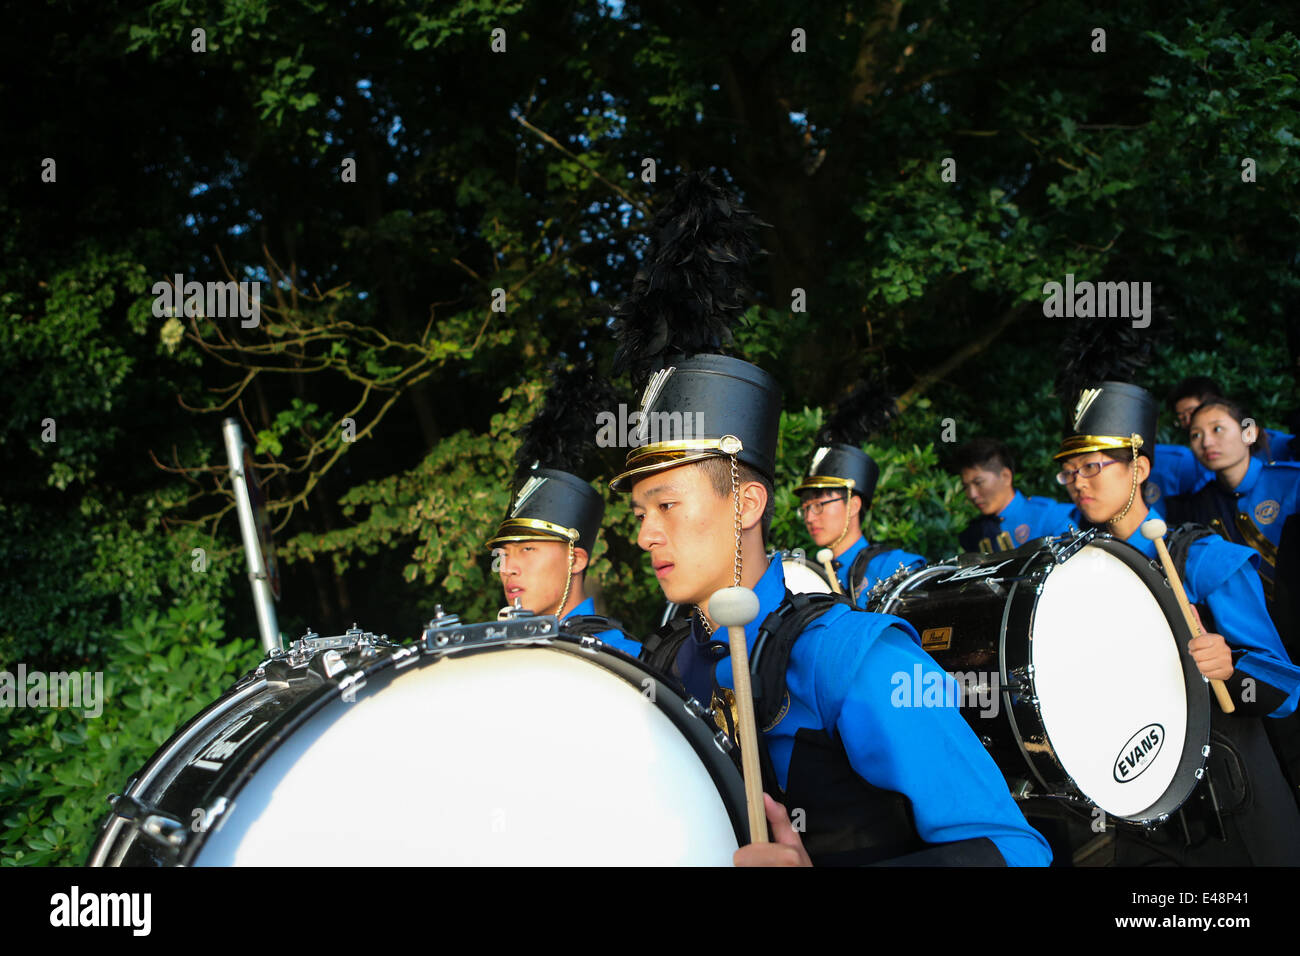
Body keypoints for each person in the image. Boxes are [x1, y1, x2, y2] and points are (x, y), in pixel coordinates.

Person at [610, 357, 1052, 867]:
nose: (646, 535)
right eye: (641, 514)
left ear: (747, 505)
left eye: (666, 506)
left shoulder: (856, 657)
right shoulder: (663, 665)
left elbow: (1015, 851)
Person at [1044, 380, 1300, 864]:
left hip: (1231, 799)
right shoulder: (1074, 575)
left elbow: (1287, 689)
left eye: (1093, 467)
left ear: (1138, 468)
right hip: (1137, 806)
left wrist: (1231, 665)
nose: (1078, 481)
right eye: (1070, 471)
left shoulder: (1201, 558)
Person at [486, 467, 641, 657]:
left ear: (575, 560)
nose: (507, 568)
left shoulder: (622, 656)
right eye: (503, 554)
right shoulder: (500, 652)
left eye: (527, 549)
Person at [794, 442, 925, 605]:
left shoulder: (894, 567)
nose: (809, 518)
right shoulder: (806, 574)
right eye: (805, 508)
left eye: (818, 505)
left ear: (853, 505)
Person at [950, 438, 1074, 553]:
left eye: (979, 483)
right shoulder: (973, 533)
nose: (972, 494)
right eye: (966, 486)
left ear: (1005, 477)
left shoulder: (1047, 516)